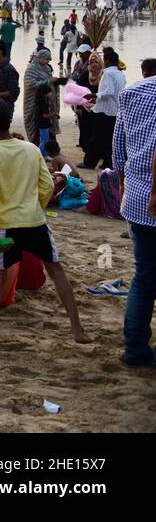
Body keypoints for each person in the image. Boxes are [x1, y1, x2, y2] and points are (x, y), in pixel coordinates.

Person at [0, 97, 90, 346]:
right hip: (35, 222)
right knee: (56, 271)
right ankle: (77, 329)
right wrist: (37, 206)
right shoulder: (31, 149)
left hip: (5, 225)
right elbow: (46, 186)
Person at [112, 62, 156, 368]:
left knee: (144, 277)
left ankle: (136, 349)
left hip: (138, 199)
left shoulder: (133, 92)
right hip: (146, 197)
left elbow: (118, 149)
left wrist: (124, 184)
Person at [83, 48, 125, 170]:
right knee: (109, 138)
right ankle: (108, 162)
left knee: (96, 137)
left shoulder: (108, 74)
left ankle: (89, 162)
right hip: (114, 109)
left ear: (107, 61)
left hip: (104, 111)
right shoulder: (120, 74)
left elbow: (109, 91)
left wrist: (95, 95)